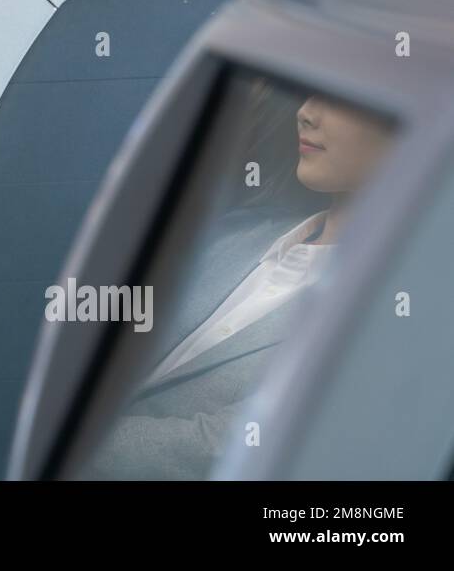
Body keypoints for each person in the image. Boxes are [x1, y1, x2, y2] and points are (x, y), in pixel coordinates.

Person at [86, 93, 393, 479]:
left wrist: (63, 433)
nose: (306, 113)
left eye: (344, 98)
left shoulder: (392, 319)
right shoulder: (235, 231)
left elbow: (218, 449)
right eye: (312, 93)